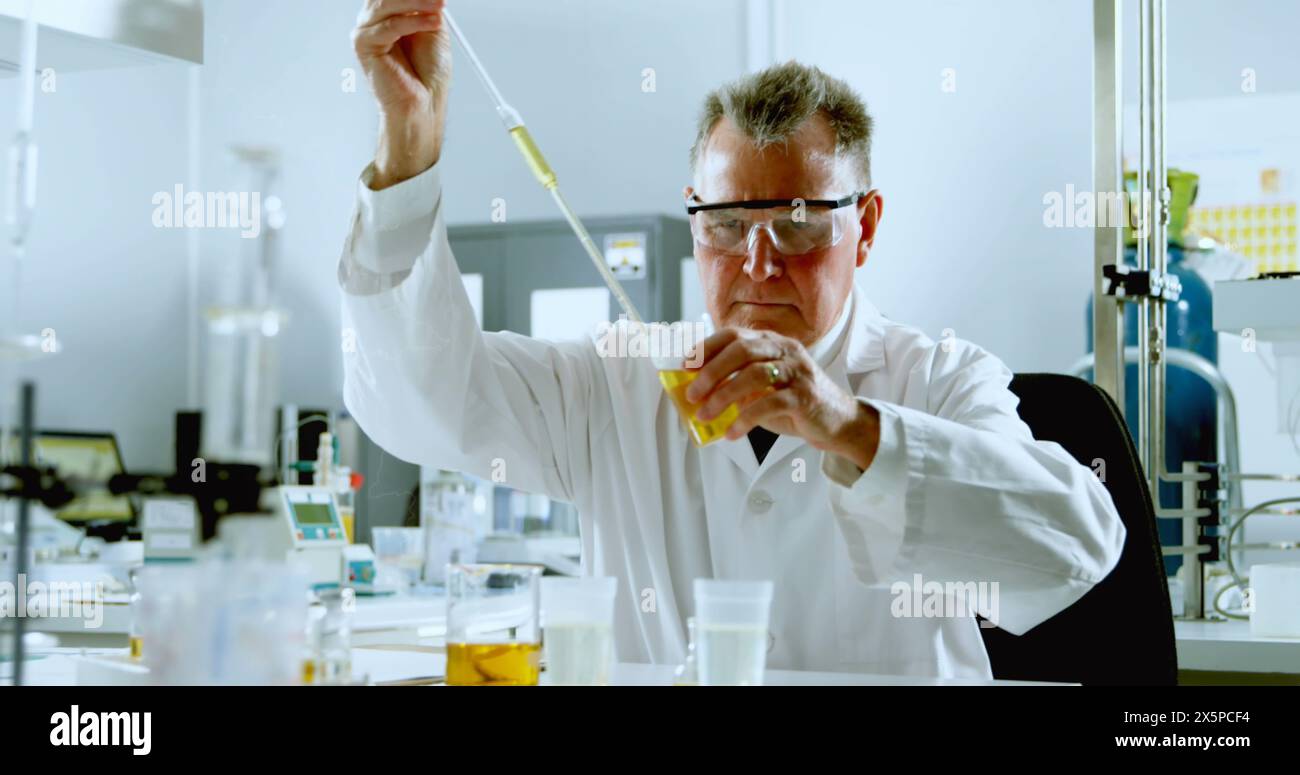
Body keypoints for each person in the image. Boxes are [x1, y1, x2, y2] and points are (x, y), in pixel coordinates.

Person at [340, 0, 1125, 677]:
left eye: (797, 225)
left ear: (867, 226)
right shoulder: (618, 381)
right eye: (724, 225)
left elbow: (1075, 544)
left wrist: (847, 426)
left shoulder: (941, 378)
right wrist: (408, 143)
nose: (757, 264)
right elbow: (422, 400)